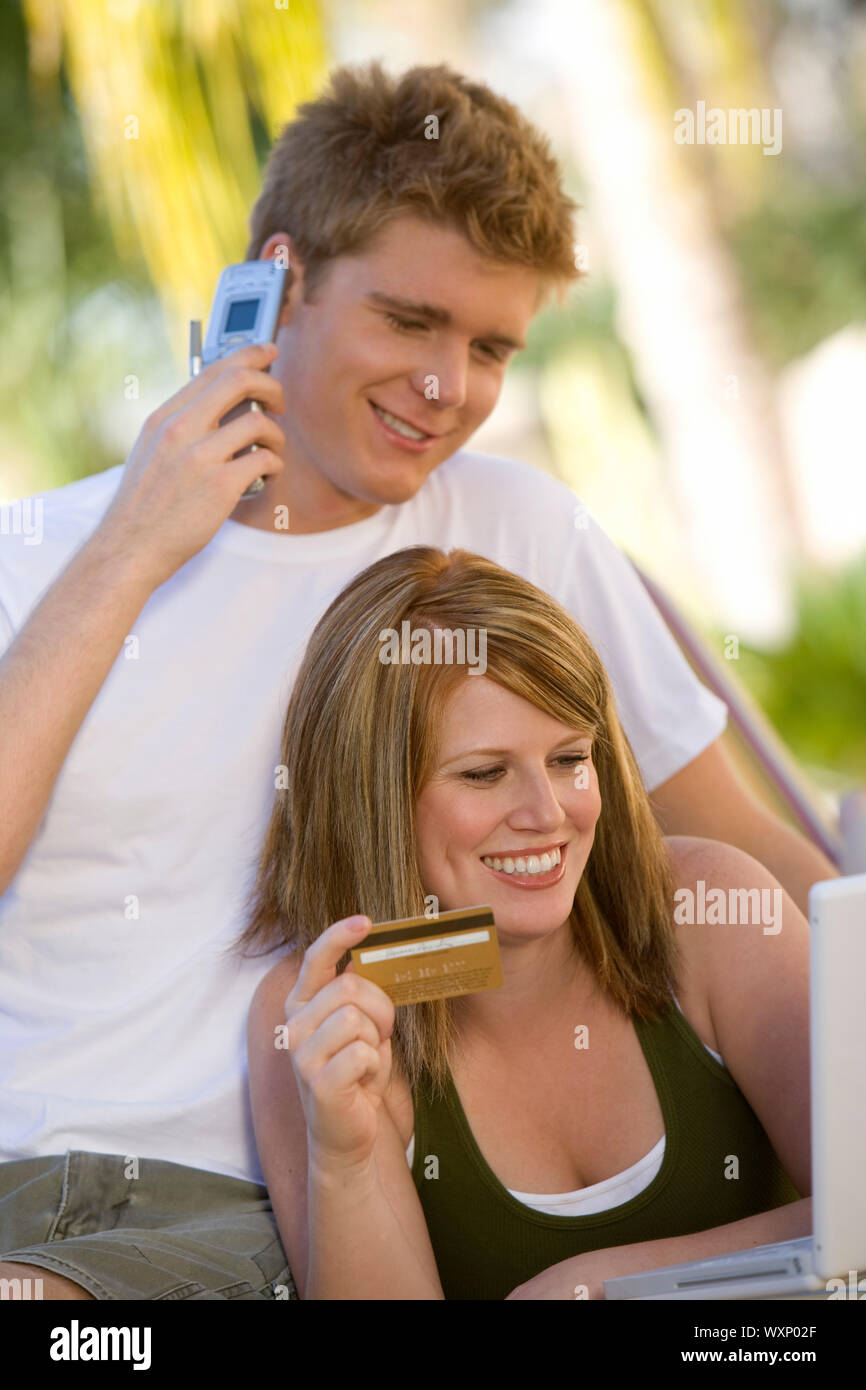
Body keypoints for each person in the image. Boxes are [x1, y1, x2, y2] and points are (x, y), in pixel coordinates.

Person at [0, 60, 828, 1302]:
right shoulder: (42, 561)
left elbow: (741, 852)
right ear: (276, 279)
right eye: (408, 321)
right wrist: (135, 545)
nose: (448, 389)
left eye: (490, 345)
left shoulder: (513, 528)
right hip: (31, 1183)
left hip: (271, 1204)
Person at [243, 544, 811, 1301]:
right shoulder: (317, 1014)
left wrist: (595, 1284)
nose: (548, 815)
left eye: (571, 759)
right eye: (484, 773)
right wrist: (343, 1161)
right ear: (371, 799)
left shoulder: (710, 907)